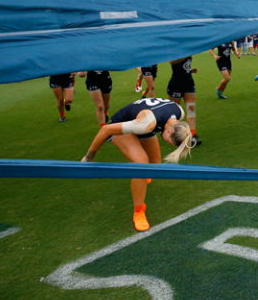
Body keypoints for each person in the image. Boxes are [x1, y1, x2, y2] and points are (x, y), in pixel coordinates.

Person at [82, 97, 194, 231]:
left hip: (142, 124)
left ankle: (141, 180)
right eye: (169, 142)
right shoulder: (147, 124)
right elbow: (105, 130)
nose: (168, 144)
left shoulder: (179, 112)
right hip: (121, 125)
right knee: (141, 165)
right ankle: (139, 212)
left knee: (155, 165)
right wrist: (88, 157)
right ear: (169, 131)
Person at [167, 56, 200, 146]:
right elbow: (171, 61)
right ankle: (173, 134)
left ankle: (192, 135)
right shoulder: (176, 50)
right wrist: (186, 54)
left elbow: (183, 66)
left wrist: (190, 70)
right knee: (174, 112)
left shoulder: (188, 49)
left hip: (189, 83)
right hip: (176, 84)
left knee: (191, 110)